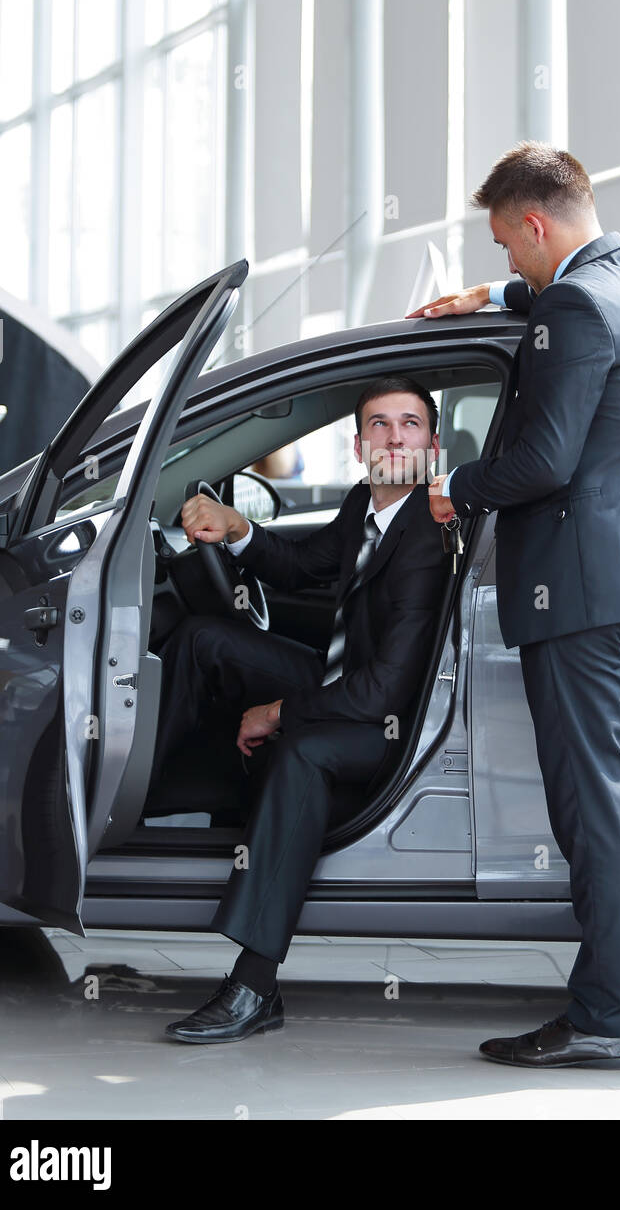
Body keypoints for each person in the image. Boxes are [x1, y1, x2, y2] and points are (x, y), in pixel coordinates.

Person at [413, 141, 620, 1069]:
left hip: (578, 593)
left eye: (506, 250)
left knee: (590, 806)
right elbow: (570, 312)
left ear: (536, 224)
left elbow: (542, 465)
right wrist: (492, 299)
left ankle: (598, 1018)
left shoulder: (576, 304)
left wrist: (456, 486)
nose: (508, 264)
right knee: (613, 792)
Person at [153, 375, 449, 1043]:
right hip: (343, 682)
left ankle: (255, 987)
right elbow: (298, 566)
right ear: (358, 444)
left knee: (300, 751)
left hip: (386, 728)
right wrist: (235, 529)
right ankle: (130, 796)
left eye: (410, 424)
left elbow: (383, 695)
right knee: (205, 639)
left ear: (433, 443)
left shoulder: (427, 535)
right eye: (380, 424)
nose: (395, 436)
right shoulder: (364, 509)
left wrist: (278, 712)